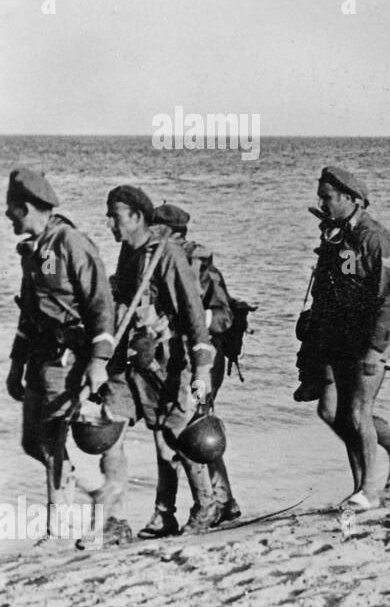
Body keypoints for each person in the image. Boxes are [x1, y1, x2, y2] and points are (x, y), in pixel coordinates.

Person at [5, 168, 131, 545]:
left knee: (50, 440)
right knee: (33, 442)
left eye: (10, 209)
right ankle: (95, 491)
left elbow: (100, 306)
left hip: (67, 360)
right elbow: (28, 315)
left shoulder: (71, 244)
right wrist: (15, 365)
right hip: (39, 360)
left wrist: (98, 361)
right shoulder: (35, 250)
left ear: (26, 207)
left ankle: (57, 529)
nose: (7, 216)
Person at [103, 185, 219, 535]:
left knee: (175, 436)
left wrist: (202, 368)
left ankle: (205, 505)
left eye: (115, 216)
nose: (109, 223)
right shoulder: (129, 251)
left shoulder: (167, 254)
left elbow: (192, 311)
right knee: (111, 428)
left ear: (137, 217)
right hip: (131, 362)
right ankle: (115, 521)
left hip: (168, 364)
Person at [305, 167, 390, 509]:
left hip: (367, 338)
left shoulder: (371, 236)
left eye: (327, 197)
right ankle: (384, 456)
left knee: (357, 411)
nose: (322, 203)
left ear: (350, 199)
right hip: (338, 336)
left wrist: (377, 348)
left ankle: (369, 490)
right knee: (331, 410)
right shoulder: (335, 235)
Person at [151, 203, 241, 522]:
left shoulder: (202, 269)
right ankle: (224, 500)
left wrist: (190, 319)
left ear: (174, 233)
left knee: (197, 426)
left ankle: (215, 501)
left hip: (204, 363)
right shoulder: (153, 266)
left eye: (155, 228)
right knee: (182, 429)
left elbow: (224, 317)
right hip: (171, 362)